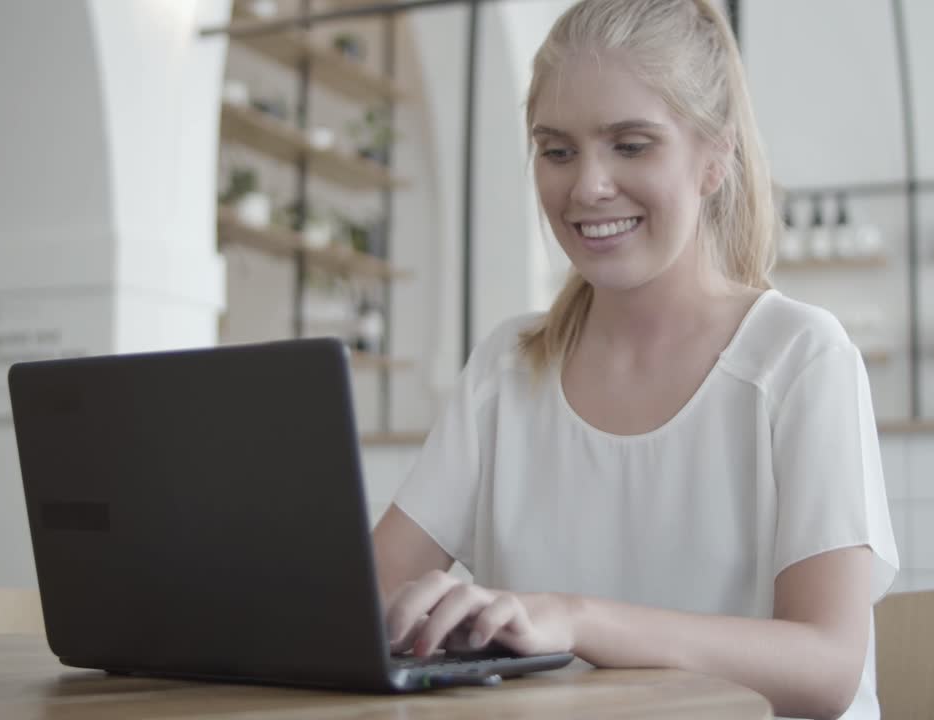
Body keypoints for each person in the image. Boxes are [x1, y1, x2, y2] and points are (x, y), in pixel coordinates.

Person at [371, 0, 898, 717]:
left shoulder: (799, 359)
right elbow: (368, 599)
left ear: (715, 158)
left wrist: (575, 619)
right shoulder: (506, 369)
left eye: (631, 145)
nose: (587, 186)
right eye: (557, 151)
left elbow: (827, 667)